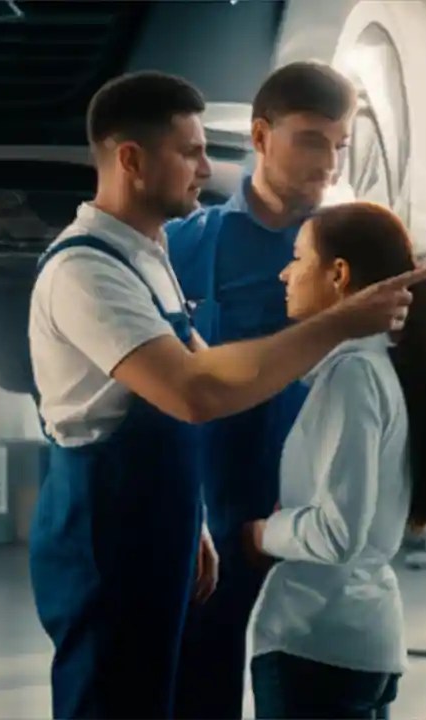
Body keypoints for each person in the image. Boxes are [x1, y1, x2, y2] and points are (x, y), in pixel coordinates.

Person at [25, 71, 426, 720]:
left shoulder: (152, 252)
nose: (206, 166)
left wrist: (190, 522)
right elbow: (191, 387)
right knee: (158, 694)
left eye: (340, 146)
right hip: (153, 520)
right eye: (190, 152)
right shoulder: (117, 261)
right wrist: (341, 321)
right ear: (263, 138)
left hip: (270, 521)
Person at [165, 60, 358, 719]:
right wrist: (184, 515)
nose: (327, 162)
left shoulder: (351, 255)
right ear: (259, 136)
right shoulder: (183, 248)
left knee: (318, 698)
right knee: (201, 693)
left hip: (316, 527)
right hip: (217, 520)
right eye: (311, 139)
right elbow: (151, 396)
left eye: (340, 145)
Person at [242, 201, 426, 719]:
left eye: (298, 258)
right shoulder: (380, 369)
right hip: (362, 645)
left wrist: (263, 533)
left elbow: (337, 534)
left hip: (316, 648)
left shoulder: (353, 377)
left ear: (338, 274)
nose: (285, 272)